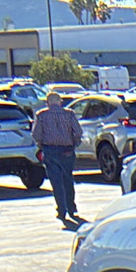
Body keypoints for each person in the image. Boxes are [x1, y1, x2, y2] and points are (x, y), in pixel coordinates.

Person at [30, 91, 83, 225]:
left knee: (56, 181)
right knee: (68, 179)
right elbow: (78, 131)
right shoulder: (69, 114)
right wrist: (74, 144)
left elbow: (36, 134)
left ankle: (61, 209)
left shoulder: (42, 115)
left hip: (50, 150)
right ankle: (71, 208)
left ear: (47, 103)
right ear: (60, 102)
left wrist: (41, 145)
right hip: (67, 150)